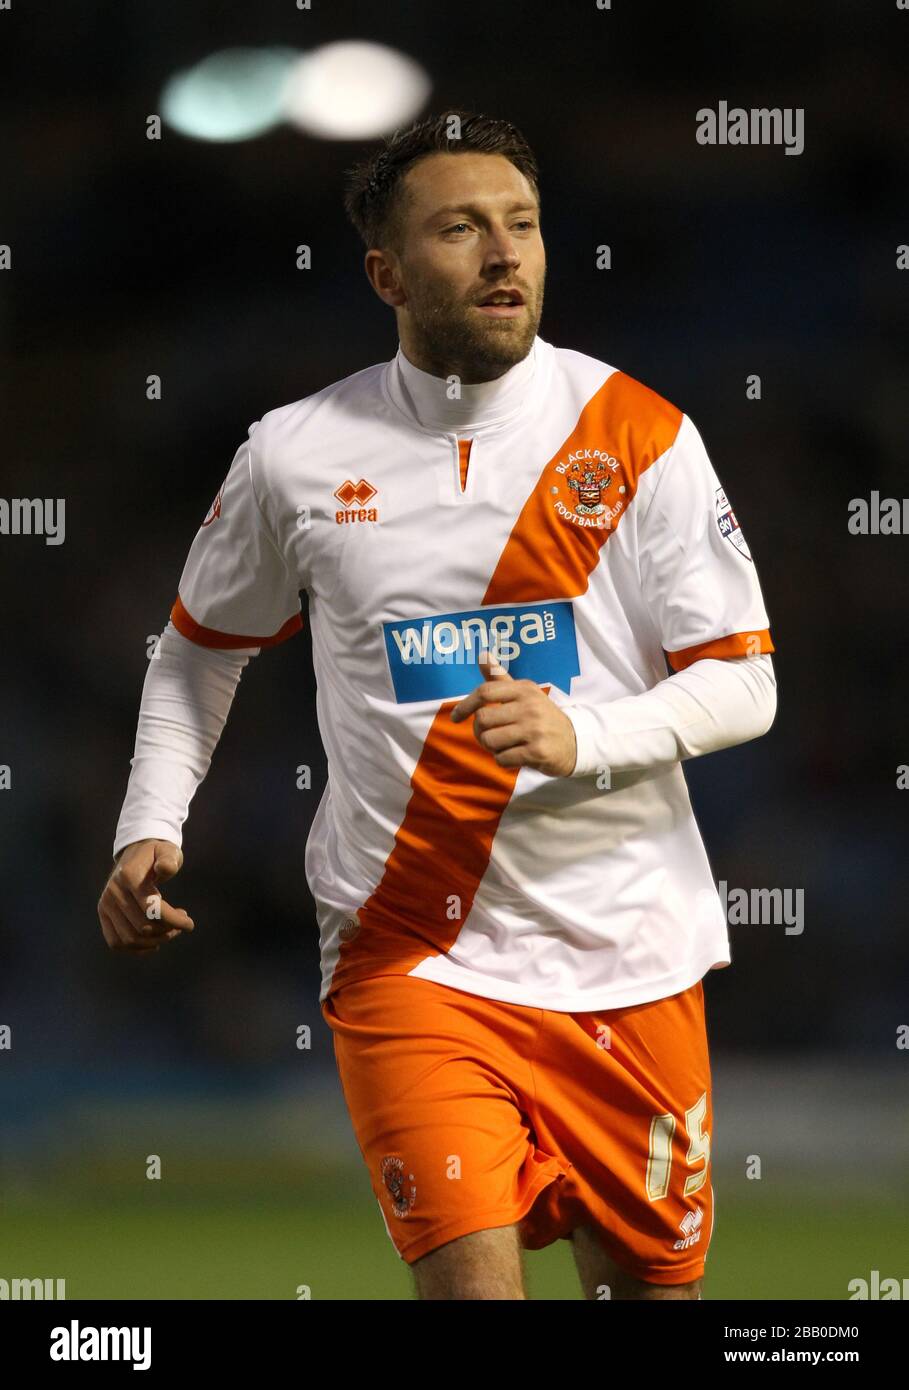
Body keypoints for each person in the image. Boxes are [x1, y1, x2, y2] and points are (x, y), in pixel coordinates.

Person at [99, 110, 777, 1300]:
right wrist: (151, 819)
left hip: (627, 955)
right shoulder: (294, 454)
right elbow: (196, 652)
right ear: (388, 274)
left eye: (523, 224)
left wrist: (587, 736)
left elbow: (746, 681)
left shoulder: (641, 436)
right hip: (406, 948)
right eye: (461, 229)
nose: (505, 254)